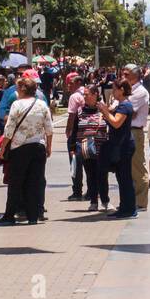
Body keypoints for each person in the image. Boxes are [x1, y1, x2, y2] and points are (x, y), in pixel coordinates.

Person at [0, 77, 53, 227]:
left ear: (24, 89)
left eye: (17, 88)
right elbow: (49, 128)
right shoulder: (42, 104)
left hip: (20, 148)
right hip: (38, 147)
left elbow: (9, 128)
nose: (15, 91)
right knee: (34, 182)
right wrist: (49, 147)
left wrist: (2, 147)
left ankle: (9, 215)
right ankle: (33, 216)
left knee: (15, 183)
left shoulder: (17, 105)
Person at [97, 81, 138, 219]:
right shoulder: (121, 105)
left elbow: (116, 123)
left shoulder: (125, 105)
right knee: (121, 178)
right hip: (120, 145)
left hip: (124, 146)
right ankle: (124, 207)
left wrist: (104, 111)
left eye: (114, 90)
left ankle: (130, 209)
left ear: (121, 90)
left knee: (125, 178)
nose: (112, 92)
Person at [120, 64, 150, 212]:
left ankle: (141, 202)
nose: (123, 76)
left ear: (135, 76)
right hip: (125, 131)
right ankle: (131, 200)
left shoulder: (140, 92)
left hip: (134, 131)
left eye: (126, 74)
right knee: (127, 168)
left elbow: (126, 111)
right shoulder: (127, 90)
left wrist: (117, 106)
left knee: (137, 167)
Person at [63, 73, 88, 202]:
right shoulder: (89, 93)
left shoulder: (75, 96)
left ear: (78, 83)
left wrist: (68, 130)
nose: (68, 86)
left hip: (76, 133)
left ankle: (77, 191)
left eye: (71, 83)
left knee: (75, 161)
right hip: (89, 131)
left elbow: (72, 116)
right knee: (89, 162)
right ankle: (92, 190)